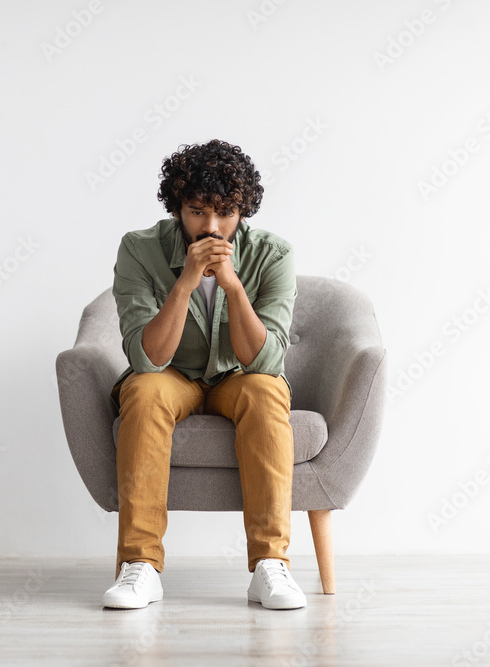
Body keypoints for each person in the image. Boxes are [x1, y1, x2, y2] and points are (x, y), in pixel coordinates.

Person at [103, 139, 305, 610]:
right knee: (145, 390)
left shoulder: (273, 254)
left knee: (266, 390)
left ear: (243, 210)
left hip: (239, 376)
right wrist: (187, 280)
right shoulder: (140, 249)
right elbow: (147, 357)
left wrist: (232, 285)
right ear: (177, 208)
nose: (211, 227)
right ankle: (141, 566)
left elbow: (266, 361)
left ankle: (269, 566)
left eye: (225, 212)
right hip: (172, 374)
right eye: (196, 211)